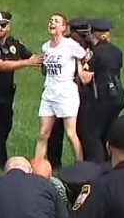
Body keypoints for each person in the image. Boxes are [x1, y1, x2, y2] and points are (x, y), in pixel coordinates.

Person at [0, 10, 40, 169]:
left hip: (7, 94)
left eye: (3, 25)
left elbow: (32, 57)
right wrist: (26, 63)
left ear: (8, 27)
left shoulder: (15, 44)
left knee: (5, 127)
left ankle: (1, 162)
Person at [34, 13, 87, 163]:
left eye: (56, 21)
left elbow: (84, 55)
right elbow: (45, 69)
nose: (52, 23)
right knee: (43, 133)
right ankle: (37, 167)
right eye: (51, 21)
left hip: (66, 92)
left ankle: (79, 166)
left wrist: (80, 71)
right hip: (50, 92)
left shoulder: (70, 45)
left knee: (70, 133)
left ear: (63, 27)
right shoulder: (46, 46)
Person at [45, 18, 94, 169]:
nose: (82, 38)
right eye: (79, 35)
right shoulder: (59, 46)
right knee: (53, 132)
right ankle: (53, 163)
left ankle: (82, 165)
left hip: (80, 94)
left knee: (76, 132)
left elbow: (86, 77)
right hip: (57, 93)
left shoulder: (87, 51)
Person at [82, 18, 124, 161]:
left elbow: (85, 77)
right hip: (117, 96)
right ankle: (110, 162)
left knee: (91, 133)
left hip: (102, 96)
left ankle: (97, 164)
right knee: (108, 131)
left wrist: (78, 65)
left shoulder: (95, 52)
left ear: (94, 34)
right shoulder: (117, 51)